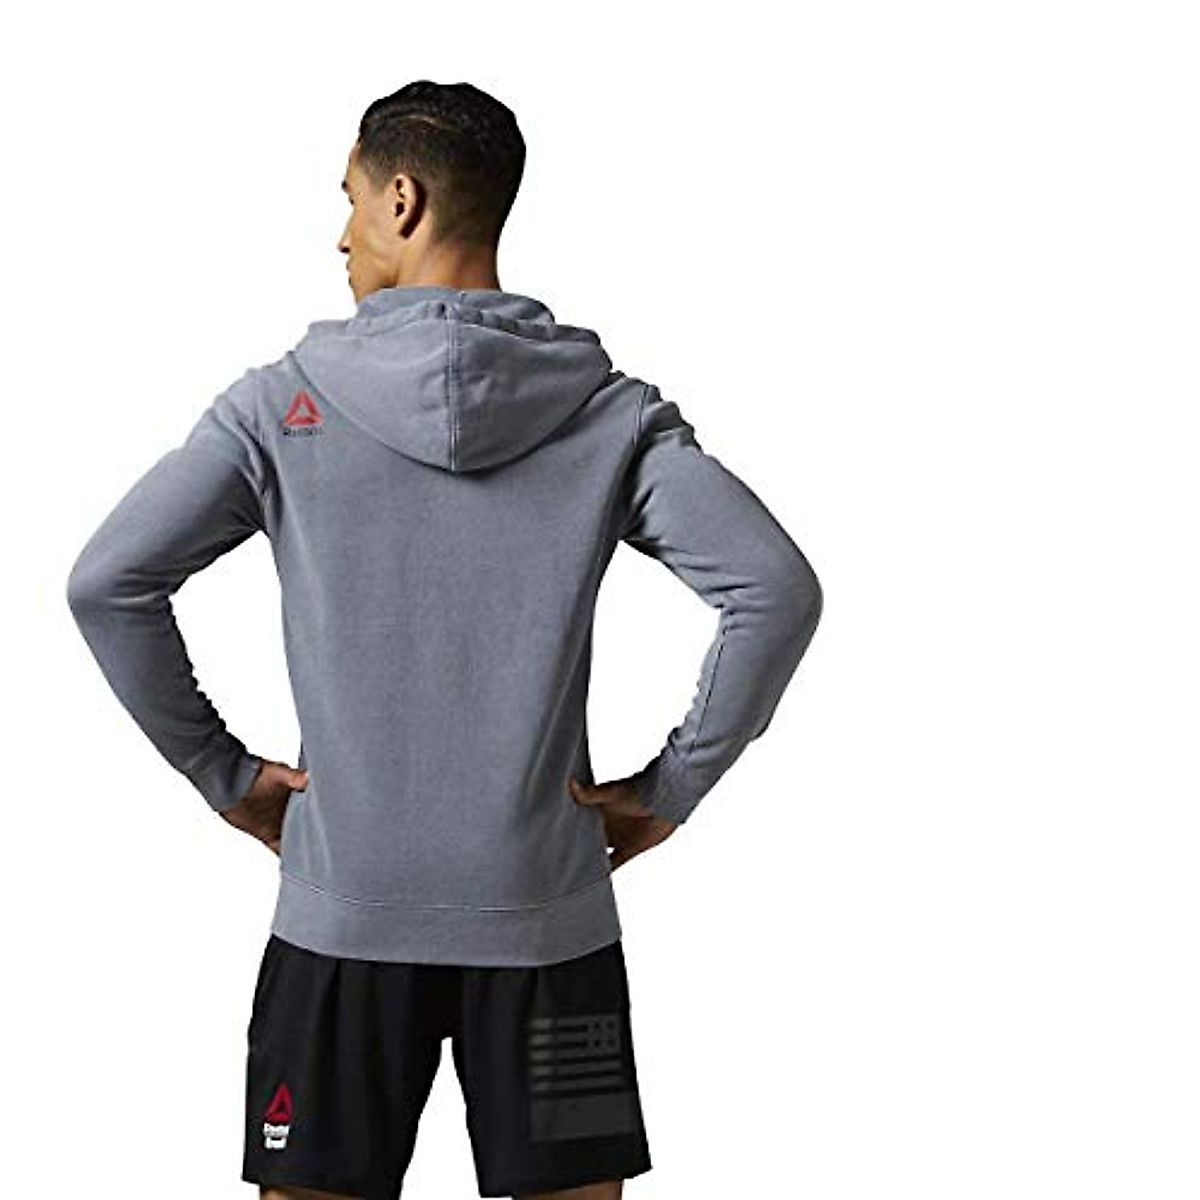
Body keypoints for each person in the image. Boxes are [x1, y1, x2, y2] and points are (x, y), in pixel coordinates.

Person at [65, 80, 823, 1200]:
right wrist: (672, 789)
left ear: (403, 200)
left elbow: (108, 583)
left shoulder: (277, 409)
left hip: (343, 915)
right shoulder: (608, 414)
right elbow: (774, 589)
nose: (341, 235)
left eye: (350, 199)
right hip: (547, 923)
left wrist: (225, 777)